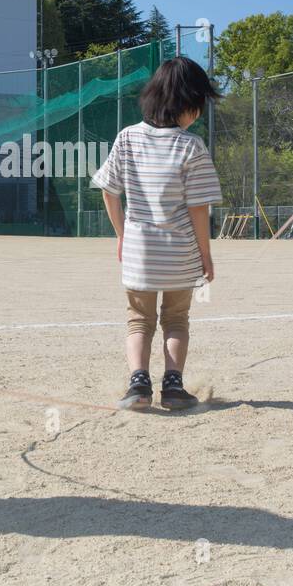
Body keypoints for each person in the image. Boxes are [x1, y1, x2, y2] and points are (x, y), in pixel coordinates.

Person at [92, 57, 223, 410]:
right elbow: (198, 208)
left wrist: (122, 234)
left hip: (140, 253)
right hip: (180, 254)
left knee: (139, 320)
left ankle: (138, 385)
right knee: (176, 319)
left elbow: (109, 190)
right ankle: (174, 385)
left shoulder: (127, 137)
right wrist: (206, 255)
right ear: (189, 103)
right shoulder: (191, 146)